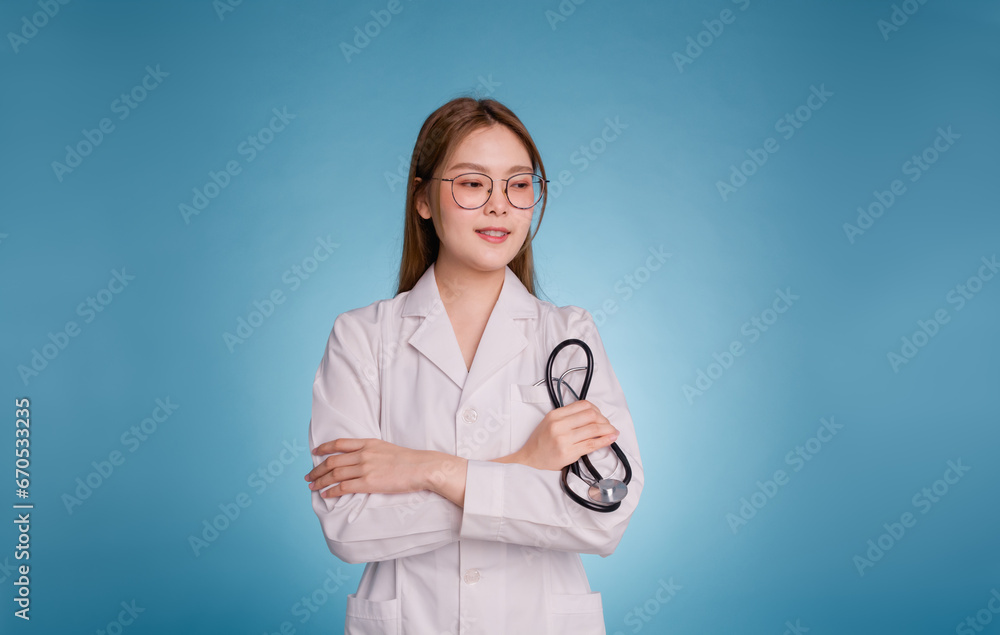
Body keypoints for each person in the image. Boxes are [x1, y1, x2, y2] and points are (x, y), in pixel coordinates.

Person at [303, 97, 644, 635]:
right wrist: (527, 465)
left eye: (518, 184)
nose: (499, 206)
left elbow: (604, 515)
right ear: (423, 199)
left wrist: (427, 469)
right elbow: (350, 527)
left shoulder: (568, 336)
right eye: (471, 183)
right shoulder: (363, 337)